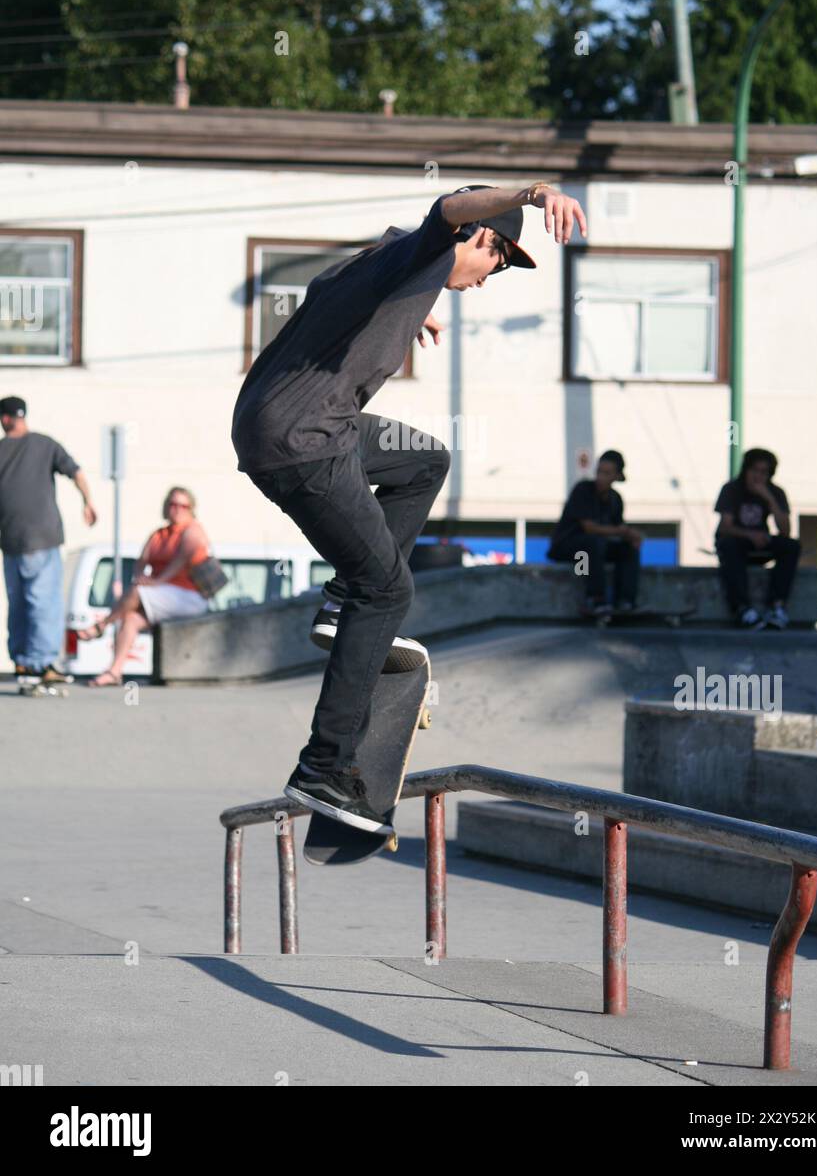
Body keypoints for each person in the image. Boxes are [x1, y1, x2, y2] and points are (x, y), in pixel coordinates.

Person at [232, 181, 587, 831]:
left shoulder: (388, 265)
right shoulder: (430, 247)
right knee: (387, 591)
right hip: (304, 440)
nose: (488, 280)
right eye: (499, 262)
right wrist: (537, 192)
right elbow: (449, 209)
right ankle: (326, 766)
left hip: (291, 427)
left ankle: (345, 605)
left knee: (424, 459)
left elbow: (344, 285)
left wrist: (406, 307)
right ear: (481, 237)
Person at [0, 396, 97, 686]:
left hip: (19, 539)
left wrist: (87, 501)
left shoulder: (36, 445)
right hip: (27, 539)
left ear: (6, 418)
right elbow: (76, 471)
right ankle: (35, 663)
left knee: (27, 602)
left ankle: (30, 661)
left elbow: (74, 471)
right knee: (36, 601)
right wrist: (88, 501)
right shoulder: (43, 444)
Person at [77, 486, 211, 685]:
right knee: (130, 618)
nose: (177, 509)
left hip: (189, 597)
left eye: (183, 505)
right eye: (173, 504)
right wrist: (140, 576)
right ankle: (114, 671)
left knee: (138, 592)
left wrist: (155, 582)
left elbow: (180, 561)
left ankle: (102, 625)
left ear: (191, 508)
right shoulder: (158, 534)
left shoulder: (193, 530)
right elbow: (142, 561)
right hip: (162, 596)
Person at [714, 448, 800, 630]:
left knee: (791, 547)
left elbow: (785, 530)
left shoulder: (775, 492)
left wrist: (769, 498)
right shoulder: (732, 489)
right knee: (728, 545)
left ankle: (777, 606)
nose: (758, 476)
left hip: (761, 542)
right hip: (737, 541)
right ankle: (742, 608)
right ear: (746, 469)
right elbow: (725, 527)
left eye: (763, 472)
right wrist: (749, 534)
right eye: (754, 470)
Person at [547, 450, 642, 614]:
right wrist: (621, 531)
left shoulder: (615, 499)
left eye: (606, 473)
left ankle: (625, 601)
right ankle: (595, 599)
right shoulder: (583, 489)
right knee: (592, 542)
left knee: (627, 549)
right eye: (599, 472)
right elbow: (589, 528)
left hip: (594, 551)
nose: (601, 478)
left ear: (617, 476)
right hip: (570, 551)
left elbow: (618, 528)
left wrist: (631, 536)